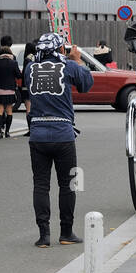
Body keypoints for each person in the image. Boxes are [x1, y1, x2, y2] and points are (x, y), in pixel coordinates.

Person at [24, 33, 92, 247]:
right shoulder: (68, 67)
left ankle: (44, 236)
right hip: (62, 134)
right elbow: (86, 84)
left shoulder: (29, 69)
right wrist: (76, 59)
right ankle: (66, 232)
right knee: (68, 184)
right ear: (60, 49)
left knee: (41, 185)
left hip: (37, 134)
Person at [0, 36, 21, 138]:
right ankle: (7, 131)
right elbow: (18, 75)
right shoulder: (13, 62)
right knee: (9, 111)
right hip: (11, 90)